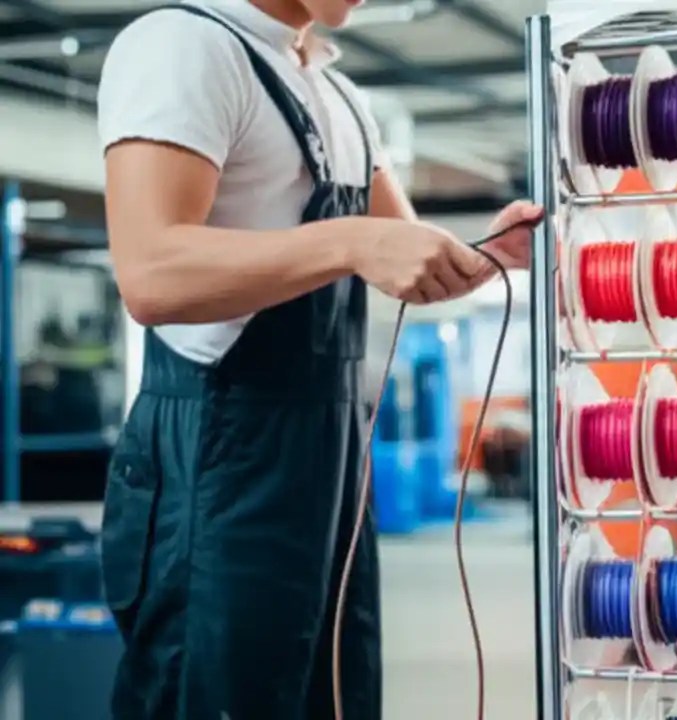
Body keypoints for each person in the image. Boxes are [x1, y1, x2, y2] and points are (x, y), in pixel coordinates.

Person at [95, 0, 540, 717]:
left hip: (328, 463)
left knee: (330, 693)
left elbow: (404, 255)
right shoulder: (183, 46)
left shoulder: (338, 93)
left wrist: (489, 257)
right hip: (218, 458)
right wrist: (353, 242)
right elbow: (149, 273)